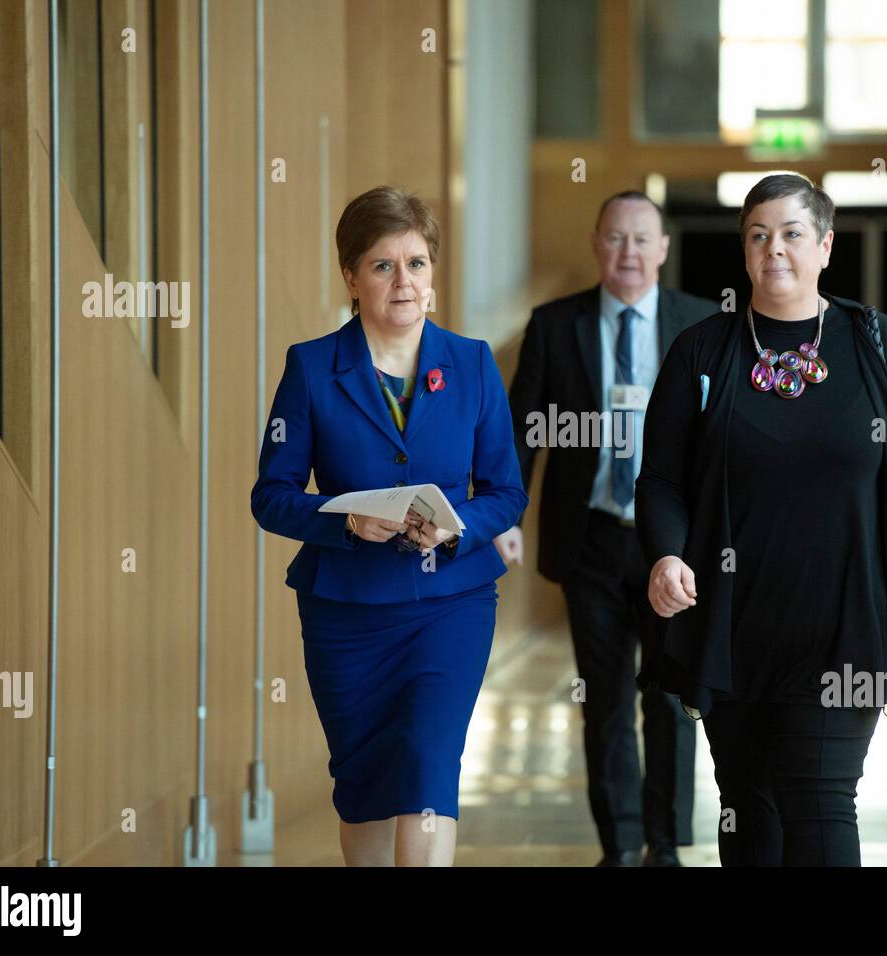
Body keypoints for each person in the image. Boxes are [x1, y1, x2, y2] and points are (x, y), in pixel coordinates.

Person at [635, 173, 887, 866]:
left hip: (845, 625)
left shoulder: (877, 346)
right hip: (733, 625)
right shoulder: (702, 352)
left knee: (821, 801)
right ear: (743, 251)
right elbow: (662, 480)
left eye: (793, 234)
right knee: (747, 808)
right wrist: (666, 554)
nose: (775, 250)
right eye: (759, 236)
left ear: (825, 246)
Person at [250, 186, 527, 867]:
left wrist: (458, 524)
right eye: (383, 265)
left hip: (452, 603)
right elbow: (272, 496)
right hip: (347, 612)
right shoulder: (312, 369)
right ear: (351, 276)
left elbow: (506, 492)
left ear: (434, 272)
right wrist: (345, 520)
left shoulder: (473, 364)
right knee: (367, 786)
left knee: (430, 769)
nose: (404, 282)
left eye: (418, 263)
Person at [498, 191, 719, 866]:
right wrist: (506, 514)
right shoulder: (554, 325)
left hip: (674, 545)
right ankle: (621, 846)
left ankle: (665, 844)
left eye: (641, 239)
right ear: (596, 244)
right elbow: (520, 431)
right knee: (607, 701)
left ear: (663, 249)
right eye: (615, 239)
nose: (628, 252)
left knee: (671, 697)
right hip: (590, 537)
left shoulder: (701, 324)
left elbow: (726, 440)